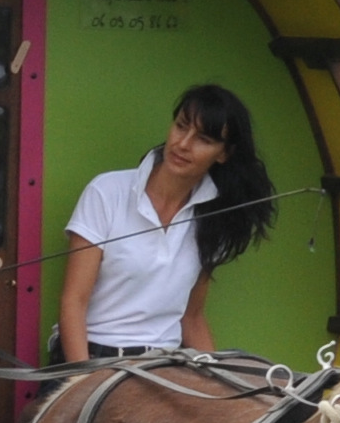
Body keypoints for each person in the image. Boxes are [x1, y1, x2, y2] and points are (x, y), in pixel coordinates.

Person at [54, 84, 276, 362]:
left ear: (223, 154)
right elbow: (73, 303)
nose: (183, 144)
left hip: (164, 367)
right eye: (181, 126)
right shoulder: (107, 191)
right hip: (92, 355)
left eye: (203, 139)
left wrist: (221, 381)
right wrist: (84, 382)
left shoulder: (215, 219)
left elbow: (192, 317)